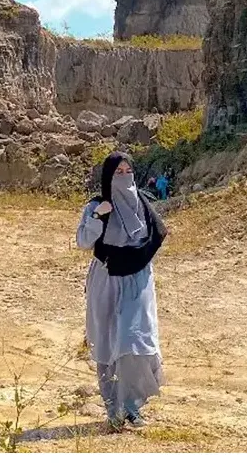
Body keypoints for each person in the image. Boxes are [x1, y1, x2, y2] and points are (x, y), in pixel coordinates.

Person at [76, 152, 168, 430]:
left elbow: (155, 236)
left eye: (128, 171)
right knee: (107, 343)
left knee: (134, 341)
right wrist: (96, 215)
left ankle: (133, 406)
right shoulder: (96, 205)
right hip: (106, 281)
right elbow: (82, 242)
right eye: (118, 173)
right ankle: (113, 410)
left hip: (138, 282)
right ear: (107, 177)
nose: (124, 177)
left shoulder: (143, 205)